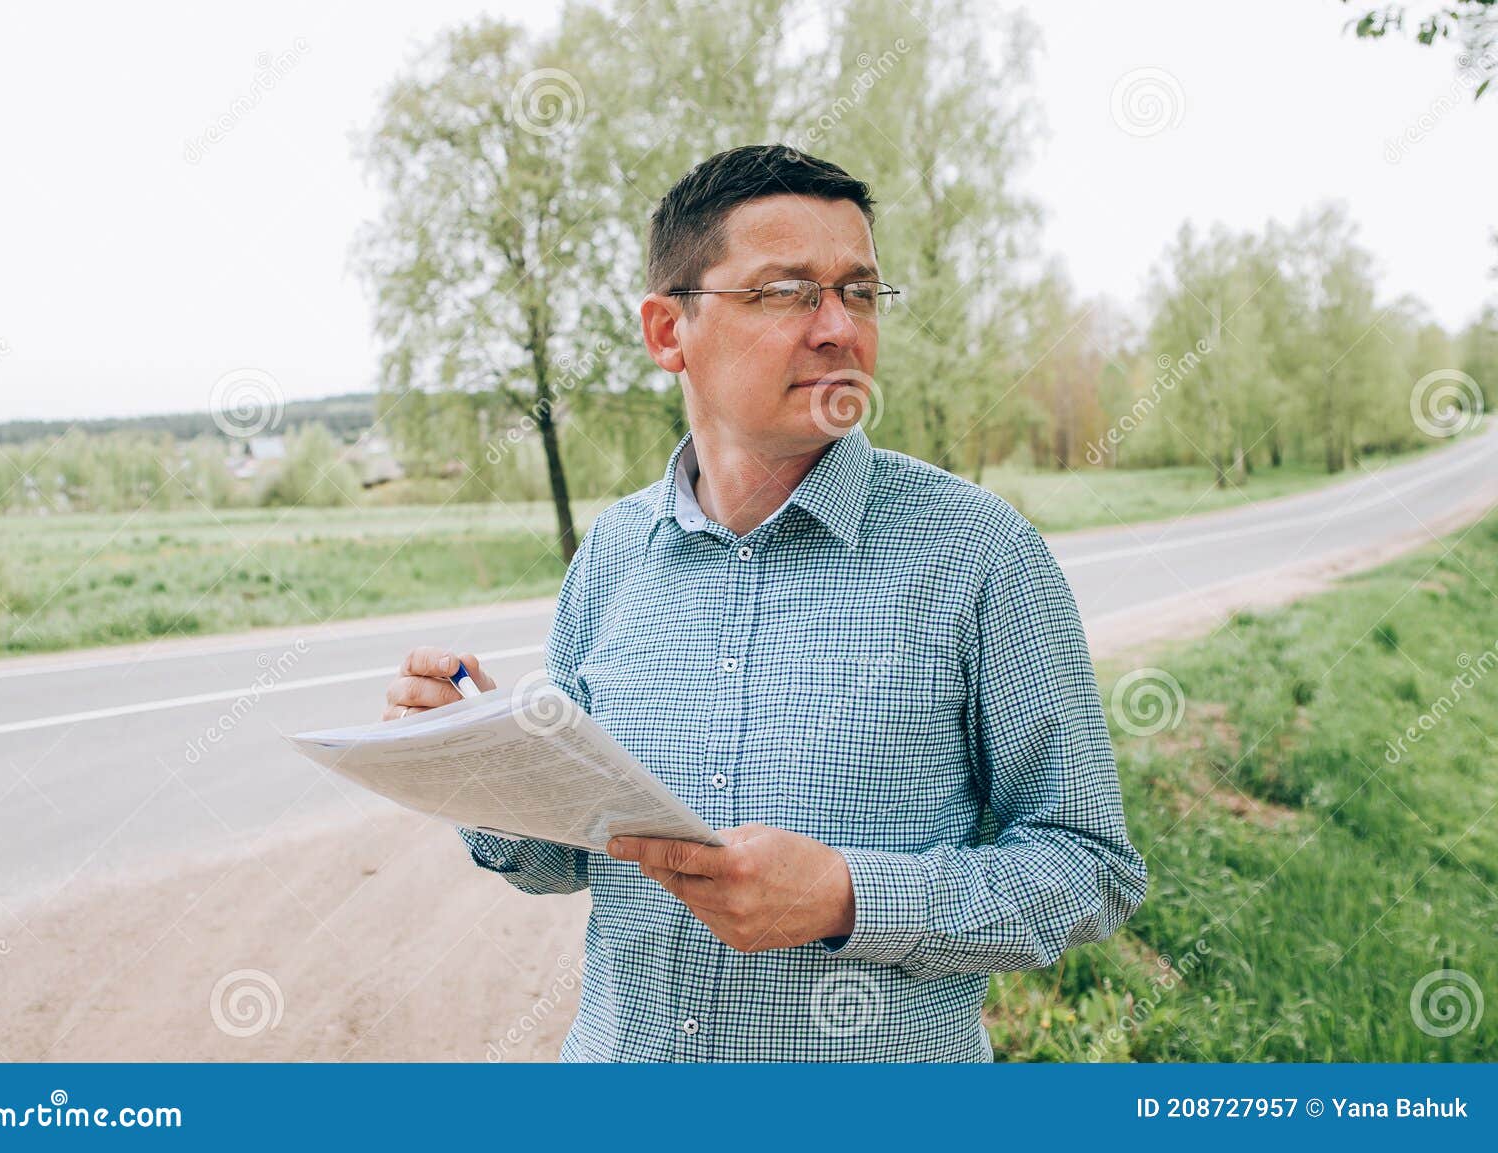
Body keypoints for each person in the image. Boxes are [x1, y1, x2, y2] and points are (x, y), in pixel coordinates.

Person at [383, 143, 1147, 1061]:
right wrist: (476, 768)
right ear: (668, 331)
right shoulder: (613, 553)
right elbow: (567, 861)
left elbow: (1089, 867)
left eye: (859, 291)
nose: (839, 328)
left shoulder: (983, 555)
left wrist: (847, 897)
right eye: (787, 292)